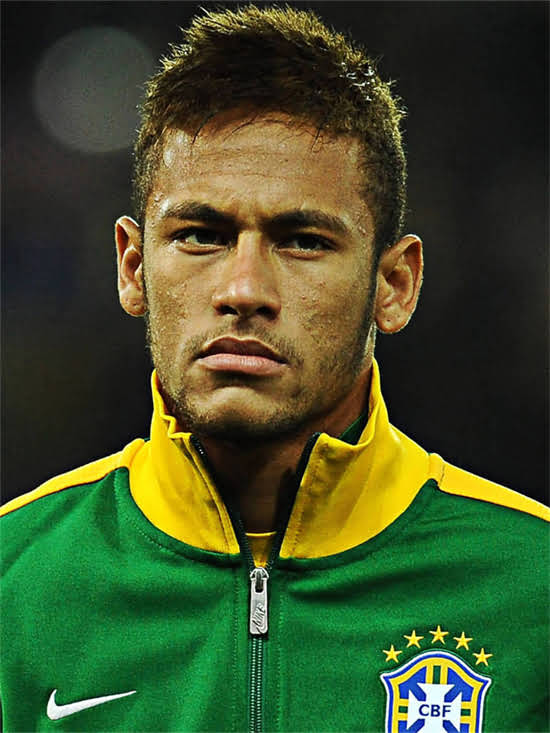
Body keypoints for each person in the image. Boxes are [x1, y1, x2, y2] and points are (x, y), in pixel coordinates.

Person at [1, 5, 548, 732]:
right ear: (132, 268)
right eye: (201, 235)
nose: (244, 290)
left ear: (395, 284)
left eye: (303, 241)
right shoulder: (14, 582)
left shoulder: (531, 586)